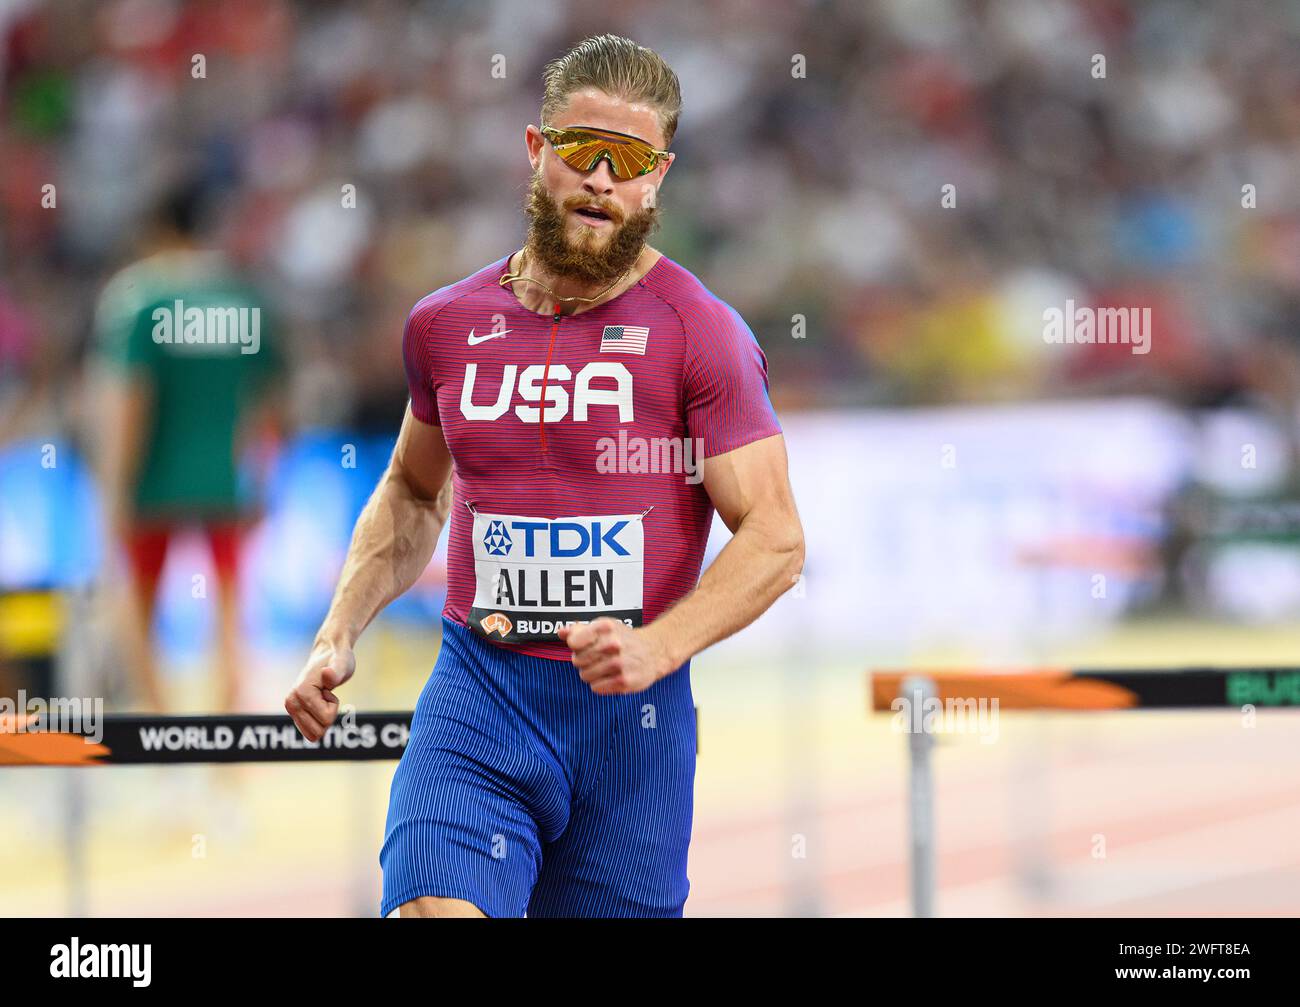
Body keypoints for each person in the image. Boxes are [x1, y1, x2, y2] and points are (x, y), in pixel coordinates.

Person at [286, 34, 804, 918]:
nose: (602, 178)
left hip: (630, 728)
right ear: (537, 151)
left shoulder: (700, 332)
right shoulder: (444, 325)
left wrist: (658, 645)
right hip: (479, 695)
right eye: (580, 150)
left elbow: (777, 538)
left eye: (630, 159)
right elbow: (415, 490)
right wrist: (340, 628)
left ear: (658, 177)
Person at [95, 184, 285, 712]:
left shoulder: (139, 298)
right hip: (225, 479)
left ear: (158, 231)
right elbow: (266, 401)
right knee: (228, 612)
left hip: (152, 480)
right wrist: (264, 480)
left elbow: (131, 399)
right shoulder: (244, 296)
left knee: (136, 603)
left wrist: (114, 488)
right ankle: (226, 742)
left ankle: (159, 736)